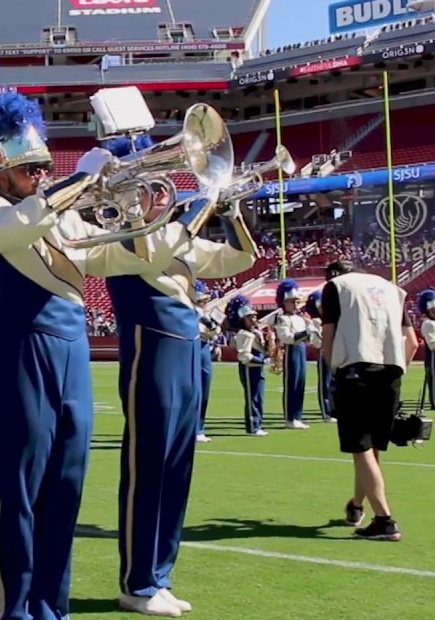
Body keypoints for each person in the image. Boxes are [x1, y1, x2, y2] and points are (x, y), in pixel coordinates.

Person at [0, 92, 214, 620]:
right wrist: (78, 183)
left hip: (71, 354)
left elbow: (119, 255)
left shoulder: (58, 215)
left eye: (43, 166)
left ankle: (52, 607)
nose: (39, 174)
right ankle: (14, 609)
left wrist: (168, 210)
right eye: (29, 167)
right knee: (21, 490)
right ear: (0, 170)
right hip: (20, 347)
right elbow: (20, 226)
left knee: (66, 488)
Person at [96, 131, 257, 617]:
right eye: (151, 189)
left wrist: (231, 212)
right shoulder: (132, 239)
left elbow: (242, 259)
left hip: (188, 352)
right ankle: (136, 582)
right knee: (149, 467)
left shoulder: (178, 239)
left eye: (164, 189)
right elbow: (163, 244)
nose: (163, 195)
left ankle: (159, 575)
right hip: (153, 352)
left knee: (177, 470)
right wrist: (206, 201)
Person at [318, 259, 418, 541]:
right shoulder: (391, 288)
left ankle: (385, 520)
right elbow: (412, 341)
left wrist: (334, 370)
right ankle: (357, 505)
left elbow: (329, 338)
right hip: (391, 370)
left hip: (356, 370)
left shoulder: (335, 287)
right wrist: (397, 371)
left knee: (359, 445)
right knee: (371, 448)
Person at [271, 278, 311, 430]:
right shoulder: (282, 318)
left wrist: (310, 328)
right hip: (291, 350)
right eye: (291, 301)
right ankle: (289, 417)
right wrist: (306, 332)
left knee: (300, 383)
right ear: (284, 302)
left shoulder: (299, 318)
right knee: (291, 383)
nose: (295, 304)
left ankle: (297, 416)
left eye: (296, 301)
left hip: (301, 349)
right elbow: (287, 337)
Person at [229, 294, 270, 437]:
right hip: (249, 368)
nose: (254, 319)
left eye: (254, 316)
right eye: (249, 317)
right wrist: (262, 361)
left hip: (257, 368)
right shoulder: (244, 334)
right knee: (252, 396)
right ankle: (253, 426)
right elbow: (244, 356)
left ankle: (258, 423)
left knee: (259, 396)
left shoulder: (255, 332)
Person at [195, 280, 223, 444]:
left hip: (204, 348)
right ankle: (193, 428)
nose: (204, 304)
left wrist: (211, 325)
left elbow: (215, 332)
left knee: (204, 387)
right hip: (193, 346)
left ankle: (200, 427)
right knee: (194, 389)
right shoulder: (191, 312)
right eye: (201, 301)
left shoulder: (205, 314)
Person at [304, 290, 334, 421]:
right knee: (325, 383)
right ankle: (326, 412)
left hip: (333, 352)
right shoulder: (316, 321)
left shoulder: (328, 320)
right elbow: (318, 340)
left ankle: (334, 409)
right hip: (324, 351)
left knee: (334, 382)